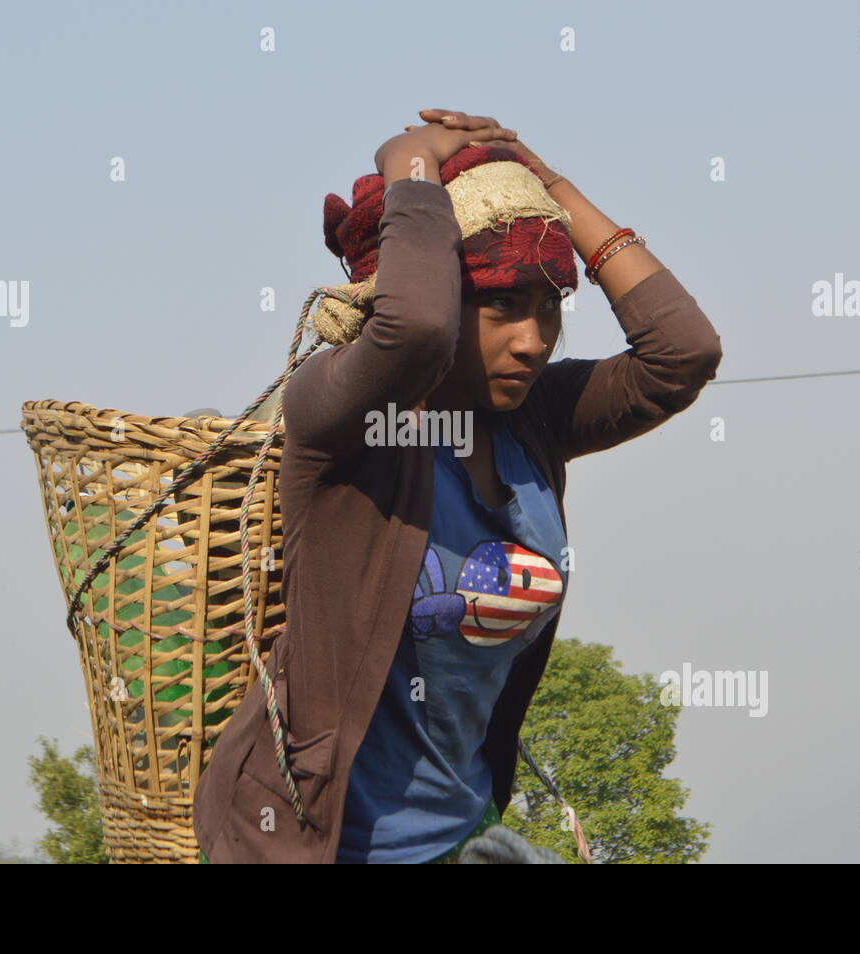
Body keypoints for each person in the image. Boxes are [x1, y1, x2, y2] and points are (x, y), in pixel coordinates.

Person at [192, 109, 723, 863]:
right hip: (310, 843)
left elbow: (683, 353)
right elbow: (414, 330)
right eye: (502, 305)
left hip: (460, 834)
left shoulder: (531, 423)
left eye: (549, 309)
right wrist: (407, 159)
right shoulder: (347, 420)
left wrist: (546, 183)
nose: (533, 341)